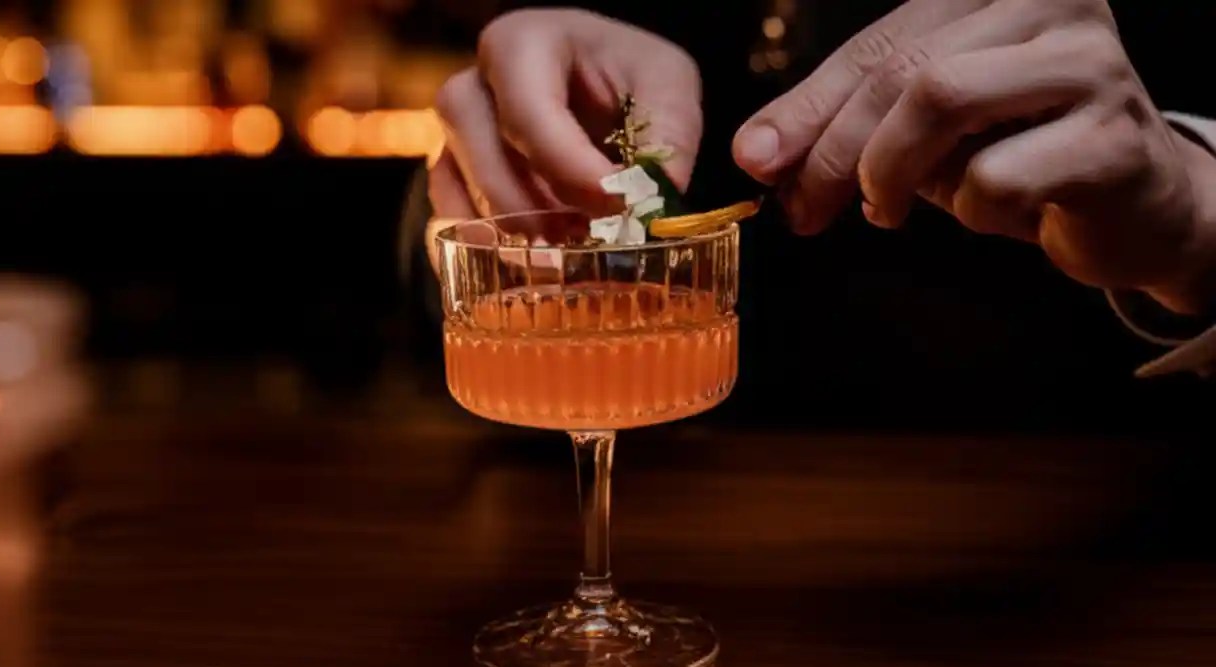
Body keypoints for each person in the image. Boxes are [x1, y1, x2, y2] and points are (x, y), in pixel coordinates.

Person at [428, 1, 1216, 386]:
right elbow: (439, 274)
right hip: (656, 517)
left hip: (1088, 522)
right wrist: (494, 173)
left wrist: (1199, 216)